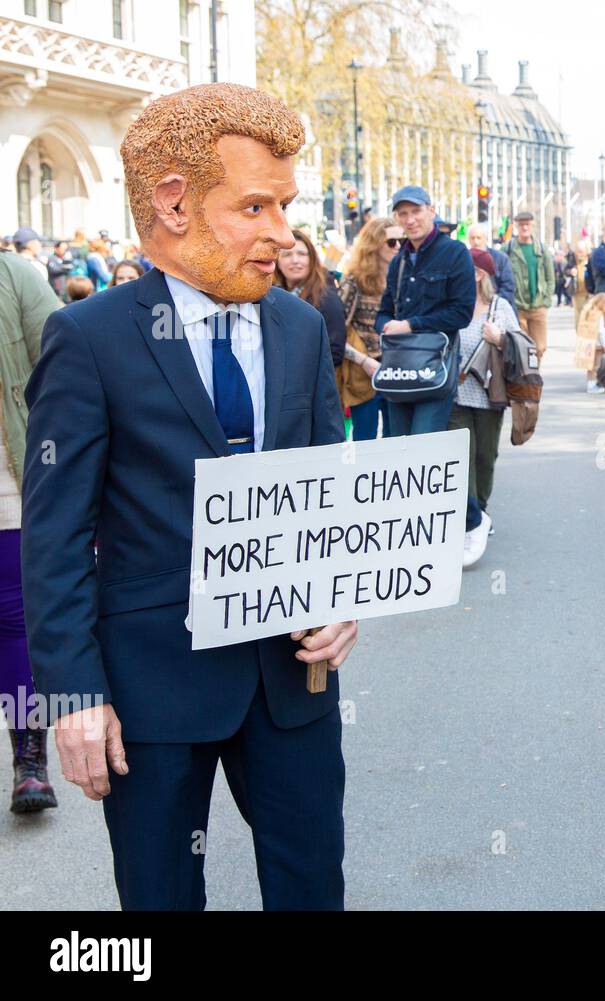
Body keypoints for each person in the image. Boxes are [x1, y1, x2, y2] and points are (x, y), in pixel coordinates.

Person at [22, 82, 357, 910]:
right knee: (161, 895)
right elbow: (57, 535)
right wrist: (72, 693)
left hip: (292, 679)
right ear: (173, 203)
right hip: (151, 693)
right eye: (255, 206)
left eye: (285, 206)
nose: (282, 235)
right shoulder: (89, 336)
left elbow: (326, 490)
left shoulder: (300, 327)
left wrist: (342, 594)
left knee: (313, 886)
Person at [0, 249, 62, 813]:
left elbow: (62, 363)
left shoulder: (13, 275)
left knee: (14, 621)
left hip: (8, 482)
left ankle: (28, 758)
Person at [375, 185, 476, 437]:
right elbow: (384, 311)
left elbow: (462, 313)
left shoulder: (455, 253)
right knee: (398, 447)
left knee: (424, 445)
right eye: (403, 214)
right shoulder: (399, 261)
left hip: (435, 367)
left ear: (431, 210)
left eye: (416, 211)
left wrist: (411, 325)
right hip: (400, 367)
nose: (410, 219)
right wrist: (385, 325)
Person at [450, 247, 518, 565]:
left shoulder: (499, 307)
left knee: (485, 456)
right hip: (455, 394)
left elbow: (521, 345)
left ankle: (482, 510)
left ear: (478, 274)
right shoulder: (454, 305)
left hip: (491, 395)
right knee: (461, 456)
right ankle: (471, 519)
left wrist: (500, 338)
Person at [337, 217, 399, 441]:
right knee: (365, 443)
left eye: (402, 240)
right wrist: (363, 360)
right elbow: (334, 335)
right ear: (374, 244)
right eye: (392, 242)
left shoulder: (402, 278)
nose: (399, 246)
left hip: (398, 372)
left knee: (396, 441)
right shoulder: (354, 281)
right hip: (364, 375)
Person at [274, 228, 347, 369]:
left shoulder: (326, 298)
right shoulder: (273, 295)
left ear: (312, 259)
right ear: (277, 261)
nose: (295, 260)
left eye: (301, 254)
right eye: (287, 254)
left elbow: (335, 352)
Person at [504, 210, 555, 359]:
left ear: (532, 225)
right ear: (516, 227)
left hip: (538, 306)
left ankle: (533, 377)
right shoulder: (508, 249)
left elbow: (550, 278)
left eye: (527, 224)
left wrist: (546, 300)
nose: (524, 228)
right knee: (521, 348)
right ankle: (524, 380)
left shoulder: (542, 249)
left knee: (540, 347)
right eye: (521, 225)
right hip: (517, 307)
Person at [466, 222, 516, 304]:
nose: (476, 241)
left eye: (479, 238)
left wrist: (492, 304)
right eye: (472, 238)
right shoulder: (463, 259)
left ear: (486, 239)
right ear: (469, 240)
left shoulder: (500, 258)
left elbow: (508, 287)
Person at [577, 291, 605, 392]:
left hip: (587, 342)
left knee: (590, 366)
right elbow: (600, 332)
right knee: (595, 366)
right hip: (596, 345)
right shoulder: (599, 315)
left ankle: (591, 384)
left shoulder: (589, 312)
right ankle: (592, 386)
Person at [572, 238, 592, 318]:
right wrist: (570, 271)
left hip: (588, 294)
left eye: (582, 251)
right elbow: (565, 270)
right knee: (579, 318)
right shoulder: (572, 262)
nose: (580, 254)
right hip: (577, 295)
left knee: (587, 317)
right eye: (578, 251)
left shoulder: (590, 262)